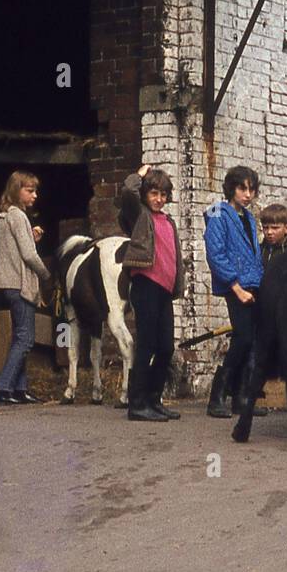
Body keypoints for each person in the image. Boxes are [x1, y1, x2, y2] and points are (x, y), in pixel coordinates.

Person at [120, 165, 184, 422]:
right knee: (146, 345)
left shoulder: (169, 221)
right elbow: (127, 192)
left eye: (163, 195)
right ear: (145, 195)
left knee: (166, 347)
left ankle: (154, 400)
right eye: (153, 193)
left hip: (164, 291)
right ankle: (136, 403)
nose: (158, 199)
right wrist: (140, 174)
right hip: (146, 285)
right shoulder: (140, 216)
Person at [203, 165, 265, 419]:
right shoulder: (218, 213)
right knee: (243, 338)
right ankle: (217, 396)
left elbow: (254, 253)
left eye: (251, 189)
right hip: (236, 285)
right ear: (231, 188)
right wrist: (236, 288)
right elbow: (216, 254)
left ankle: (242, 399)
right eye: (242, 188)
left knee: (253, 342)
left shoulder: (249, 217)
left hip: (254, 284)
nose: (247, 194)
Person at [0, 170, 50, 406]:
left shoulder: (4, 215)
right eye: (29, 190)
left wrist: (30, 235)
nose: (35, 195)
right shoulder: (17, 215)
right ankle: (4, 388)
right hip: (18, 283)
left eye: (35, 190)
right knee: (25, 339)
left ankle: (20, 389)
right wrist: (45, 274)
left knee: (19, 338)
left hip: (7, 282)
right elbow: (28, 254)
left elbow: (13, 249)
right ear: (17, 190)